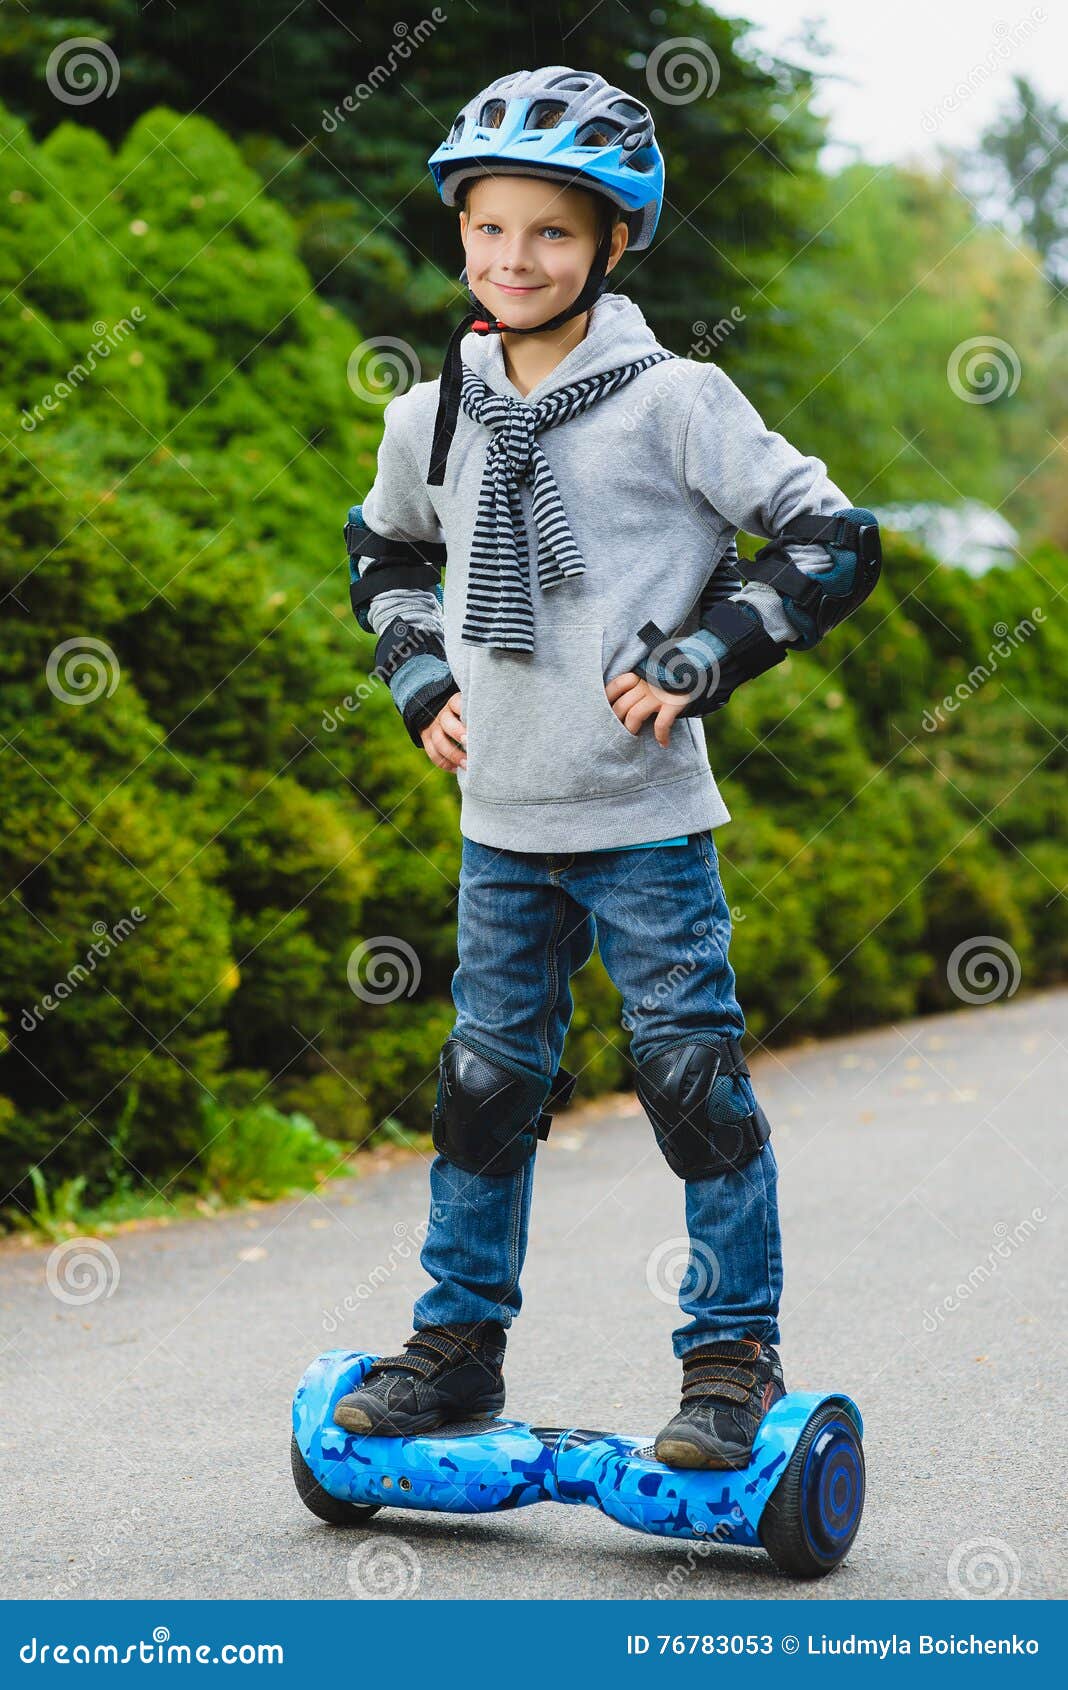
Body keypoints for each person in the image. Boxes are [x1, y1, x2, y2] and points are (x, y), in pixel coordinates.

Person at [334, 66, 881, 1469]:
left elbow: (831, 536)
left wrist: (706, 655)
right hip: (501, 820)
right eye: (491, 229)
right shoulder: (434, 411)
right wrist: (417, 677)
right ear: (461, 231)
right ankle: (455, 1350)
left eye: (554, 236)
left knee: (690, 1079)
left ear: (615, 244)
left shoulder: (673, 399)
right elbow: (384, 552)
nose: (515, 261)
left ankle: (731, 1363)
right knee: (485, 1084)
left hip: (644, 821)